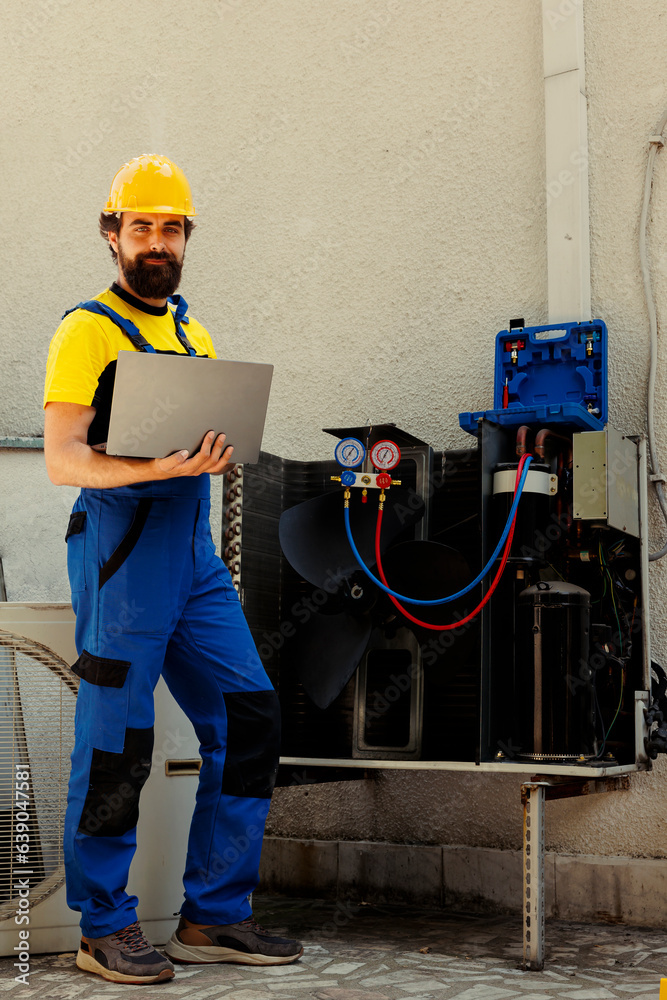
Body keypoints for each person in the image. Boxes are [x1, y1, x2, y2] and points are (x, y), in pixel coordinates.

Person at [43, 154, 302, 985]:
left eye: (171, 228)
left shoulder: (193, 335)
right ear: (112, 235)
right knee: (120, 741)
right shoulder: (84, 329)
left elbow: (191, 447)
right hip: (123, 554)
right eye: (142, 226)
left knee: (250, 717)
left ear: (186, 239)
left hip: (193, 559)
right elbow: (62, 460)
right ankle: (103, 925)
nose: (157, 241)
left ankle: (213, 913)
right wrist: (155, 468)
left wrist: (211, 456)